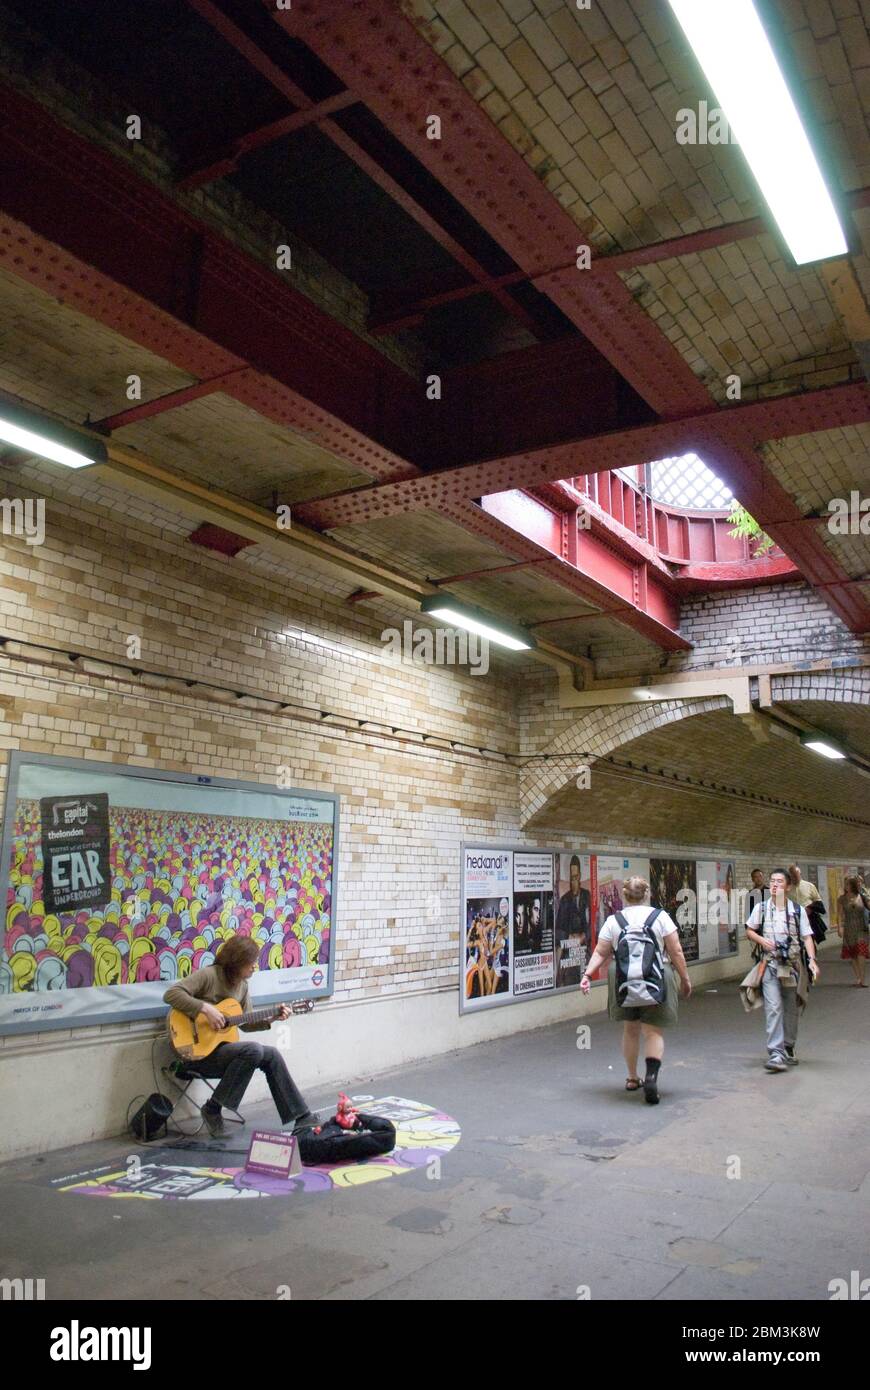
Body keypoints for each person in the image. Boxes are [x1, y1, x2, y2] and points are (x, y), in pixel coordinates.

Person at [163, 935, 317, 1138]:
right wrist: (206, 1009)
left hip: (222, 1054)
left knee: (270, 1054)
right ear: (236, 961)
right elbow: (171, 994)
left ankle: (301, 1115)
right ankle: (213, 1108)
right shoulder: (210, 975)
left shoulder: (242, 986)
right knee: (253, 1050)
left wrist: (272, 1018)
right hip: (194, 1056)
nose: (254, 967)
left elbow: (245, 1023)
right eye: (250, 962)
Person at [580, 875, 691, 1105]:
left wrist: (587, 975)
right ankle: (651, 1076)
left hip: (623, 979)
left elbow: (601, 952)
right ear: (647, 894)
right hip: (656, 977)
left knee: (630, 1030)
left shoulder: (614, 920)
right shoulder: (660, 918)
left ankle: (632, 1077)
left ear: (624, 896)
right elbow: (676, 951)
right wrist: (685, 978)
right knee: (653, 1032)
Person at [745, 868, 819, 1072]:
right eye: (772, 881)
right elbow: (750, 930)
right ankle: (776, 1053)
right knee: (773, 1007)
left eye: (779, 881)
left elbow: (806, 937)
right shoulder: (761, 908)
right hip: (769, 964)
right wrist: (762, 940)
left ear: (788, 886)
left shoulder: (797, 910)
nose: (775, 884)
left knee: (791, 1007)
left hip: (792, 965)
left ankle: (788, 1046)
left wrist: (812, 960)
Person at [555, 855, 591, 985]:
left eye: (575, 878)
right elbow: (557, 931)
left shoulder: (588, 896)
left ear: (580, 876)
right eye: (571, 878)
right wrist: (568, 937)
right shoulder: (564, 900)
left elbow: (595, 925)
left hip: (584, 947)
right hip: (569, 949)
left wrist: (584, 937)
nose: (573, 882)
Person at [837, 876, 870, 987]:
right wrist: (840, 927)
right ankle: (858, 977)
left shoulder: (862, 897)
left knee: (861, 952)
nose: (846, 887)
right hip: (849, 928)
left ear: (853, 885)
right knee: (854, 954)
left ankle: (863, 978)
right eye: (845, 884)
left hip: (861, 928)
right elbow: (840, 915)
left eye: (849, 884)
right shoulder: (841, 899)